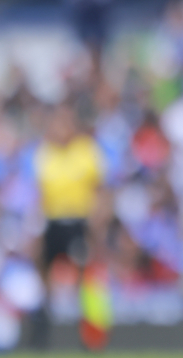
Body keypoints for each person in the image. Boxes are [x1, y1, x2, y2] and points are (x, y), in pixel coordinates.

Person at [33, 104, 109, 349]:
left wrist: (95, 228)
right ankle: (40, 334)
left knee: (85, 280)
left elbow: (100, 192)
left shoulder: (86, 151)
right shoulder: (46, 153)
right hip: (53, 222)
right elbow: (39, 195)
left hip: (78, 222)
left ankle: (91, 337)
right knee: (44, 278)